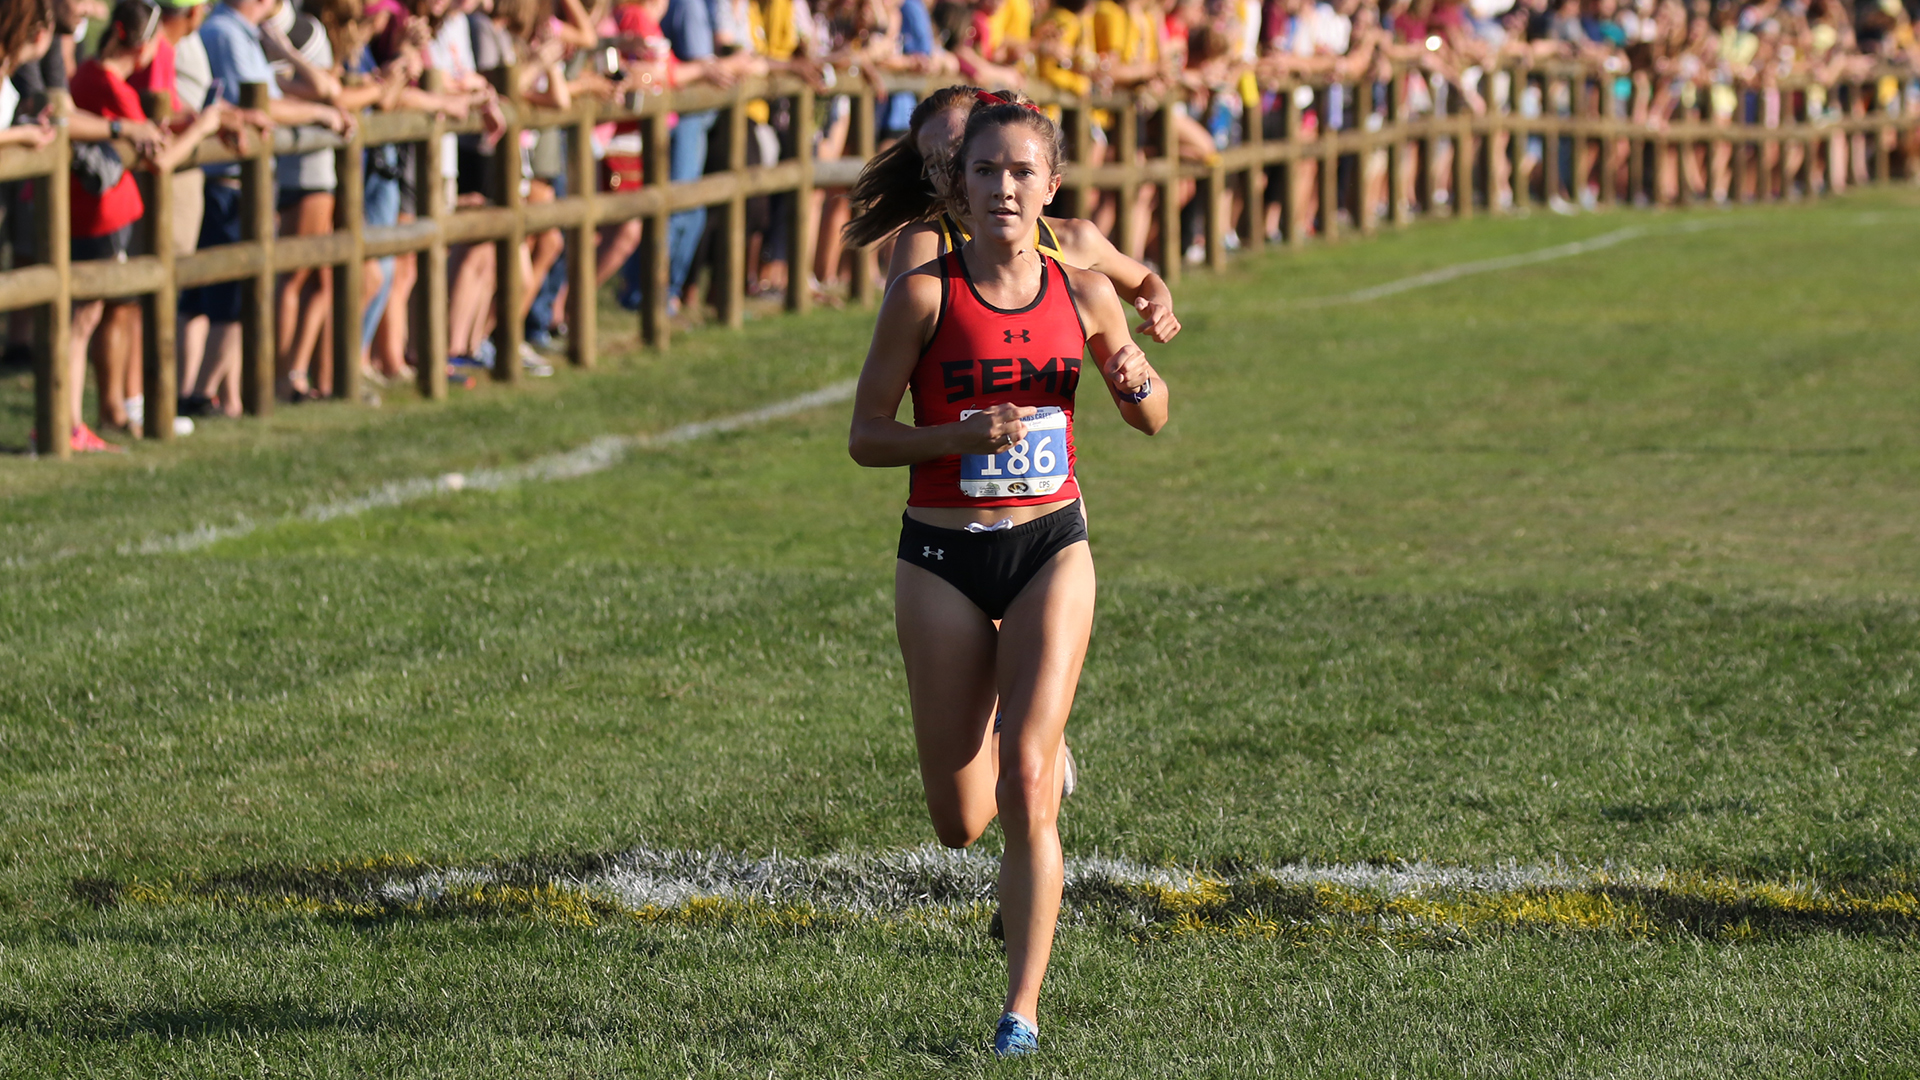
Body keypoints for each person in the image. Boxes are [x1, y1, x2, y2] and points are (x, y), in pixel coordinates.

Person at [846, 94, 1169, 1057]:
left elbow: (1151, 414)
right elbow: (865, 437)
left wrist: (1132, 380)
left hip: (1049, 545)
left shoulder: (1082, 283)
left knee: (1027, 780)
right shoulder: (924, 290)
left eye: (1022, 172)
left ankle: (1020, 1012)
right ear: (960, 182)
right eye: (986, 171)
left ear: (1051, 187)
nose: (1003, 188)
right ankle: (1015, 730)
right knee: (958, 822)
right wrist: (954, 434)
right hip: (943, 556)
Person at [846, 86, 1183, 343]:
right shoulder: (926, 244)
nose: (949, 173)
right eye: (934, 164)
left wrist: (1159, 307)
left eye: (958, 152)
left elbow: (1145, 282)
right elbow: (892, 361)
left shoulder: (1072, 239)